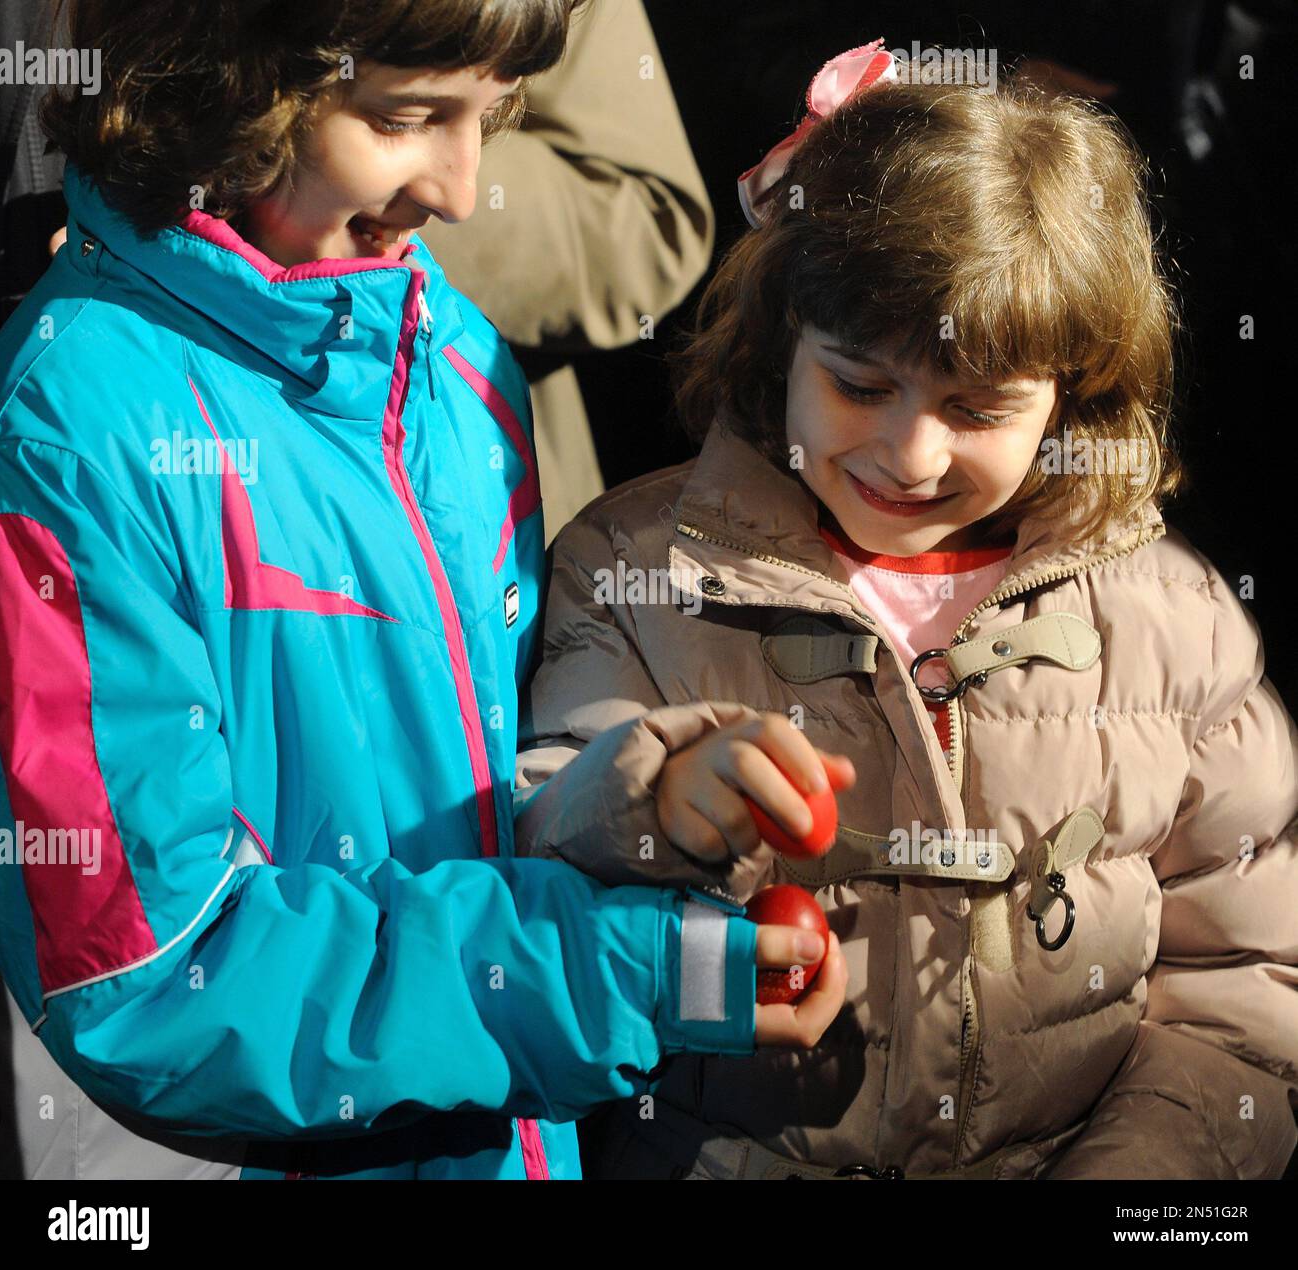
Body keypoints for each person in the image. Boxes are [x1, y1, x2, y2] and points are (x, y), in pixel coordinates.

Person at [0, 0, 845, 1181]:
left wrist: (639, 802)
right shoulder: (75, 430)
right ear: (225, 78)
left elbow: (480, 809)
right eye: (406, 119)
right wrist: (612, 974)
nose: (459, 190)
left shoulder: (457, 360)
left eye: (493, 118)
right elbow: (150, 978)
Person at [513, 41, 1298, 1178]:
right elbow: (539, 846)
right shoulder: (635, 568)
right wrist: (655, 795)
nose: (908, 453)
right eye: (858, 384)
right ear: (783, 340)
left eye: (976, 407)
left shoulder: (1171, 619)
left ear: (1074, 391)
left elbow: (1244, 991)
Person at [418, 0, 714, 545]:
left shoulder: (441, 195)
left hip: (479, 500)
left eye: (490, 113)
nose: (457, 196)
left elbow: (649, 226)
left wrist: (386, 179)